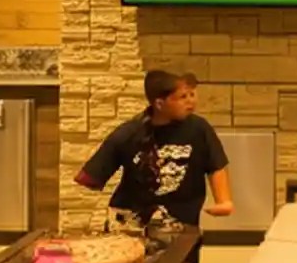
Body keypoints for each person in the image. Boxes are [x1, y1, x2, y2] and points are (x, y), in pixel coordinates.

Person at [74, 70, 234, 230]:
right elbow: (91, 176)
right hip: (132, 223)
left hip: (182, 222)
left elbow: (215, 165)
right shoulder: (131, 133)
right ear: (159, 104)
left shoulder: (199, 129)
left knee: (181, 254)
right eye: (182, 97)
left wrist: (223, 201)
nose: (190, 101)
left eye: (192, 94)